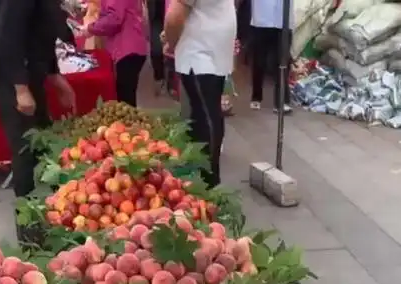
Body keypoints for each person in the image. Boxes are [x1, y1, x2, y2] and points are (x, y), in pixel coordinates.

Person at [0, 0, 77, 199]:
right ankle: (28, 218)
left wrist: (54, 75)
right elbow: (8, 36)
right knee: (26, 147)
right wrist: (21, 88)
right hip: (9, 77)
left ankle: (46, 208)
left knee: (42, 139)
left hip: (30, 73)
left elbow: (43, 29)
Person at [164, 0, 236, 188]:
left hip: (200, 51)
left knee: (205, 113)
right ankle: (202, 170)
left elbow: (174, 18)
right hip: (214, 49)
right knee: (206, 111)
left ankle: (208, 179)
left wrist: (170, 42)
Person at [87, 0, 148, 107]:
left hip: (127, 48)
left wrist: (91, 28)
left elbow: (114, 18)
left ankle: (129, 123)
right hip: (131, 46)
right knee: (126, 98)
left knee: (125, 101)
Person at [250, 0, 294, 112]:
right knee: (259, 60)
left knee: (282, 59)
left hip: (283, 18)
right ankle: (256, 96)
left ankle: (281, 100)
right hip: (262, 17)